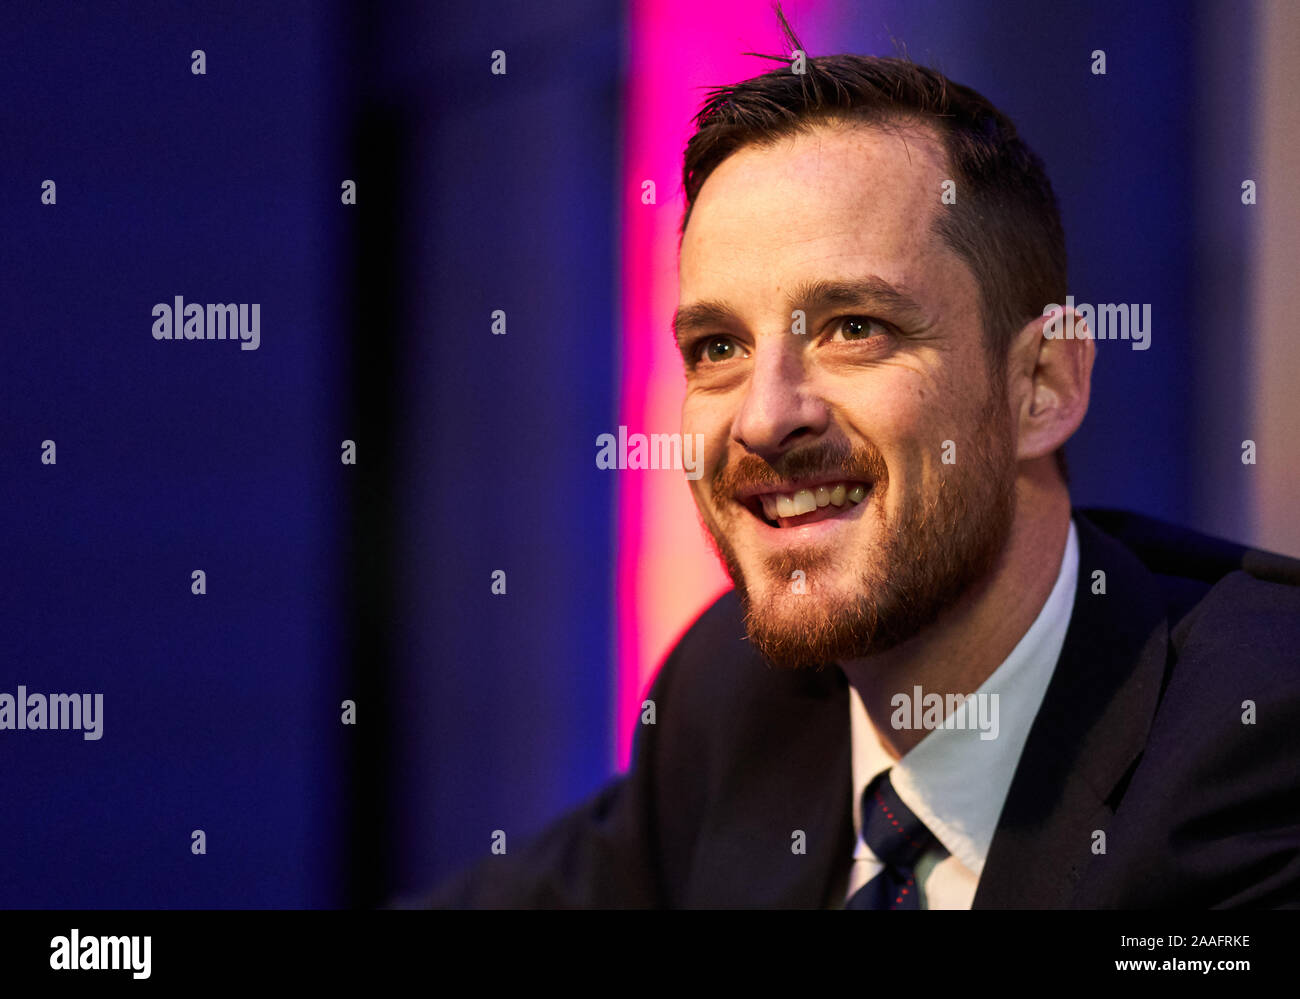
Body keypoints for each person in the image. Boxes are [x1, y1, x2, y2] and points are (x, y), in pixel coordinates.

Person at [425, 34, 1300, 909]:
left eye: (854, 327)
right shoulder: (733, 696)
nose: (767, 417)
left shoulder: (1262, 732)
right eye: (718, 347)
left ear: (1042, 385)